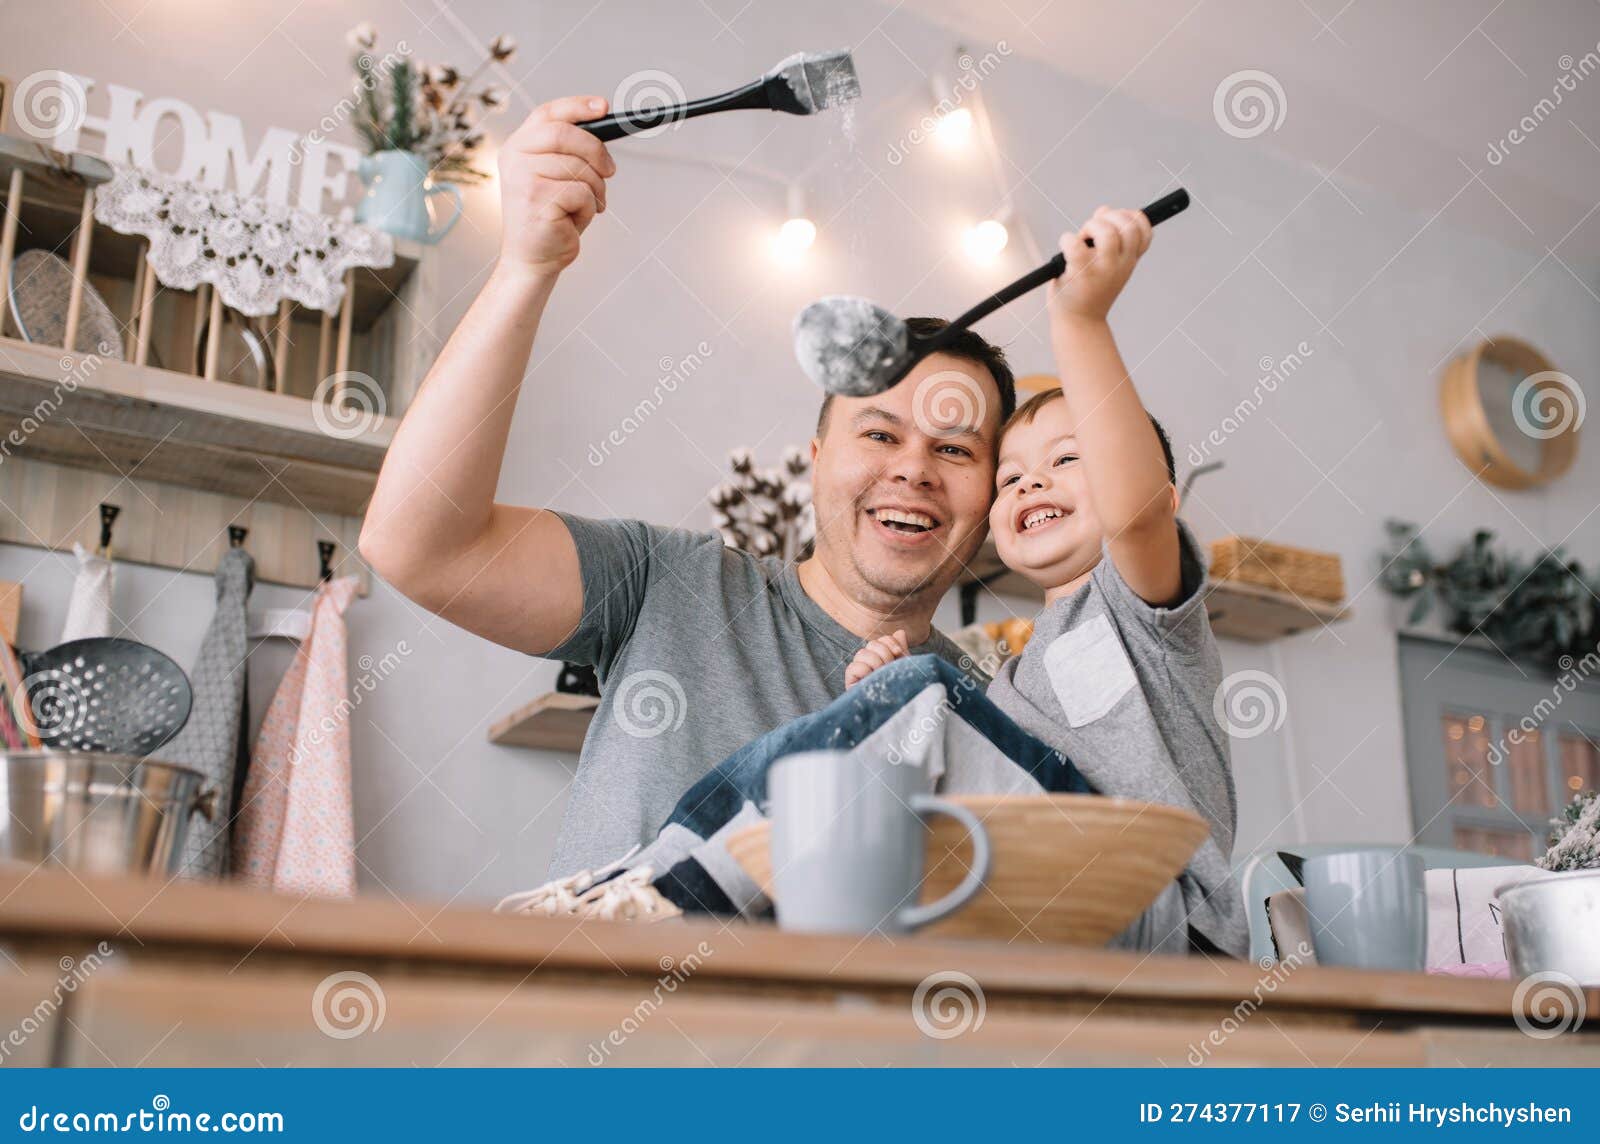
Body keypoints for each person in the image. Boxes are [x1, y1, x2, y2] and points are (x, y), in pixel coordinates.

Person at [358, 95, 1016, 881]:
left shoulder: (990, 714)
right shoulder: (669, 586)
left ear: (995, 491)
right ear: (817, 456)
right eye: (878, 433)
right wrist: (524, 267)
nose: (913, 469)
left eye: (953, 447)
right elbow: (416, 544)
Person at [848, 207, 1248, 956]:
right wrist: (904, 701)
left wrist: (1083, 322)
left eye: (1067, 460)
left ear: (1165, 502)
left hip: (1164, 914)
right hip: (1051, 923)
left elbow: (1130, 516)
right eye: (1011, 477)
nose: (1033, 485)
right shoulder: (1013, 680)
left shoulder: (1143, 610)